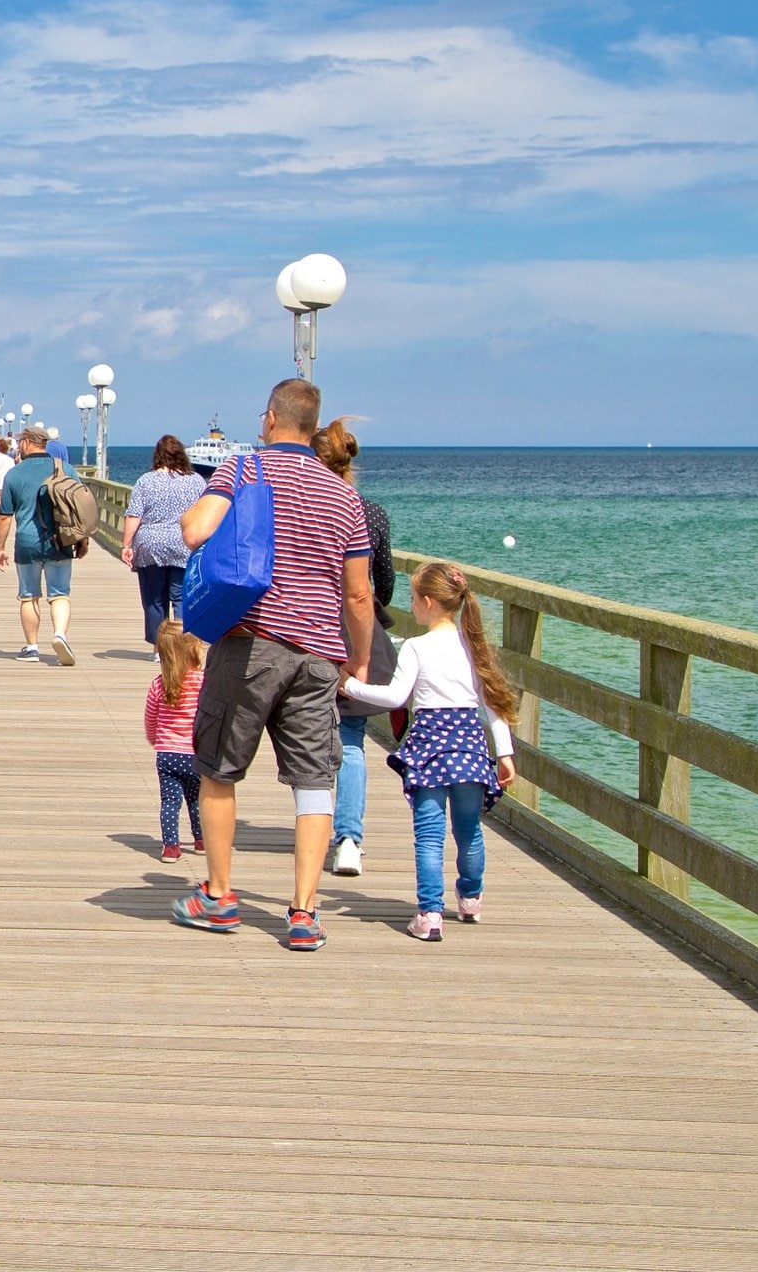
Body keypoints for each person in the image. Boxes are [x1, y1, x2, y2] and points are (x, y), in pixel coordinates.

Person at [168, 378, 374, 952]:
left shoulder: (246, 470)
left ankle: (221, 896)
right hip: (319, 657)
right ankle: (304, 913)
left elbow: (194, 529)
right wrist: (355, 658)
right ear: (314, 426)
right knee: (314, 782)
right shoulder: (344, 496)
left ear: (269, 420)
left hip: (251, 643)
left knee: (218, 769)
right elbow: (358, 596)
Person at [339, 562, 519, 941]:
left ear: (428, 602)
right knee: (469, 830)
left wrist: (351, 687)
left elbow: (395, 697)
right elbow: (494, 706)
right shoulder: (474, 646)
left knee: (429, 834)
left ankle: (430, 913)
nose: (412, 606)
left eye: (413, 600)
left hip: (430, 748)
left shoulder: (417, 648)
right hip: (469, 745)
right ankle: (470, 898)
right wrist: (504, 753)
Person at [313, 417, 397, 877]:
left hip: (303, 630)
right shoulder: (370, 511)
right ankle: (348, 837)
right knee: (351, 739)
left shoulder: (300, 504)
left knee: (305, 734)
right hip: (352, 634)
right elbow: (379, 582)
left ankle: (315, 823)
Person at [0, 424, 77, 667]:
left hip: (27, 542)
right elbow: (81, 508)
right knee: (60, 594)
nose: (19, 447)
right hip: (61, 541)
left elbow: (5, 516)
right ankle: (59, 635)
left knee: (29, 596)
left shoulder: (16, 474)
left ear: (28, 443)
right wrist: (82, 540)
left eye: (20, 443)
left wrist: (0, 547)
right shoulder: (66, 469)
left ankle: (32, 648)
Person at [120, 435, 206, 646]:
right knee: (180, 598)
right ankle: (181, 645)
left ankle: (159, 648)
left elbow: (134, 516)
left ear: (157, 456)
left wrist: (126, 545)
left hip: (150, 545)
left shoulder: (146, 480)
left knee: (154, 599)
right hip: (183, 544)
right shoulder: (196, 481)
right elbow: (204, 513)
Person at [144, 619, 209, 861]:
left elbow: (151, 718)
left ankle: (171, 846)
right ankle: (201, 840)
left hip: (167, 754)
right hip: (196, 753)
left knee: (170, 801)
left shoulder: (159, 684)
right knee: (197, 799)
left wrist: (155, 739)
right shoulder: (202, 682)